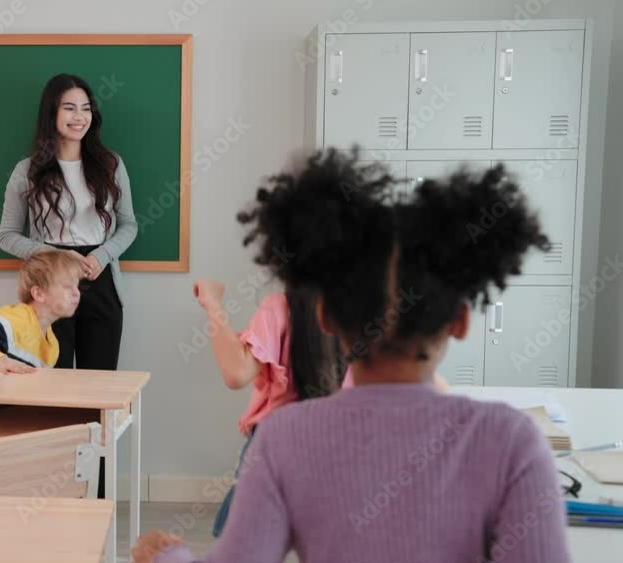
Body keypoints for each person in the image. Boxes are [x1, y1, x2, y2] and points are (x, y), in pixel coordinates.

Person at [134, 148, 568, 563]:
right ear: (459, 321)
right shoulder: (513, 442)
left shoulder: (283, 440)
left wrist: (166, 556)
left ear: (324, 316)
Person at [0, 73, 137, 372]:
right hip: (49, 280)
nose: (80, 117)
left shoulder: (111, 165)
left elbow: (129, 225)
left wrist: (101, 255)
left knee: (99, 384)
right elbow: (7, 236)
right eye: (70, 108)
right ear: (52, 113)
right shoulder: (27, 171)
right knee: (52, 384)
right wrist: (56, 255)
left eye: (86, 108)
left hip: (100, 277)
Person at [191, 281, 338, 538]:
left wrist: (212, 304)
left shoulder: (281, 306)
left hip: (272, 443)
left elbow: (237, 372)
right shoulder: (363, 310)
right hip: (335, 442)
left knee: (239, 541)